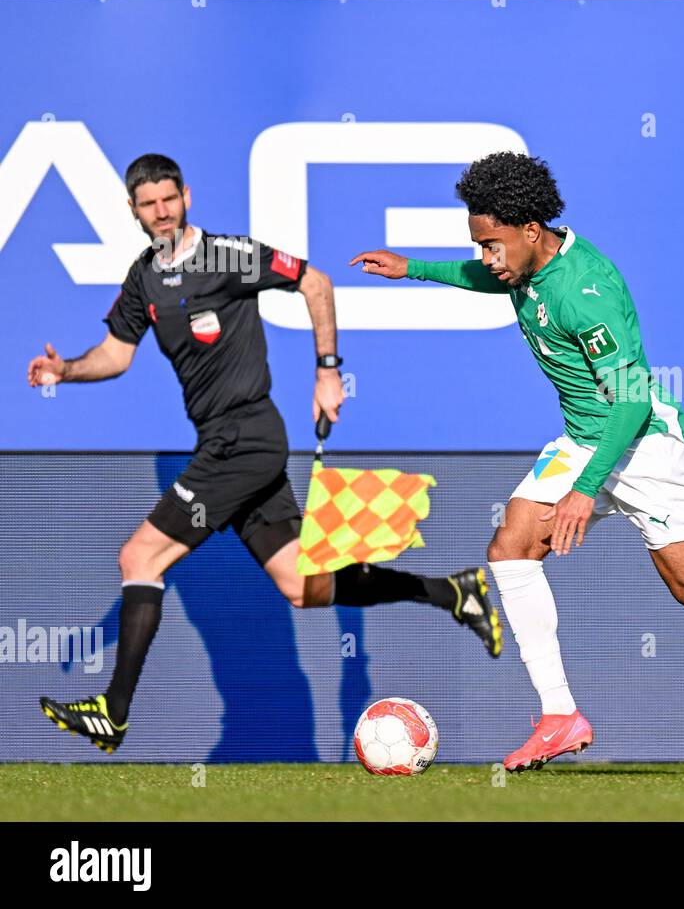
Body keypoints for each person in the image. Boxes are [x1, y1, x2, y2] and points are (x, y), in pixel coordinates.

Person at [31, 154, 499, 754]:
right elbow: (116, 354)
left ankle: (113, 711)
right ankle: (452, 591)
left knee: (139, 555)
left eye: (169, 199)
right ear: (133, 211)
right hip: (228, 446)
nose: (161, 212)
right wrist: (64, 370)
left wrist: (328, 371)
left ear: (187, 196)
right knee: (305, 588)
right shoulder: (143, 279)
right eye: (149, 204)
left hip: (245, 439)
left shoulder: (227, 256)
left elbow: (315, 281)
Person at [352, 152, 684, 771]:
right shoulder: (525, 266)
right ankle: (561, 715)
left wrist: (586, 487)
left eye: (492, 245)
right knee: (510, 545)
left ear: (530, 232)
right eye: (479, 245)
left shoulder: (585, 292)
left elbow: (632, 400)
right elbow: (493, 279)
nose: (487, 257)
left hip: (642, 443)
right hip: (584, 439)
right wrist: (416, 270)